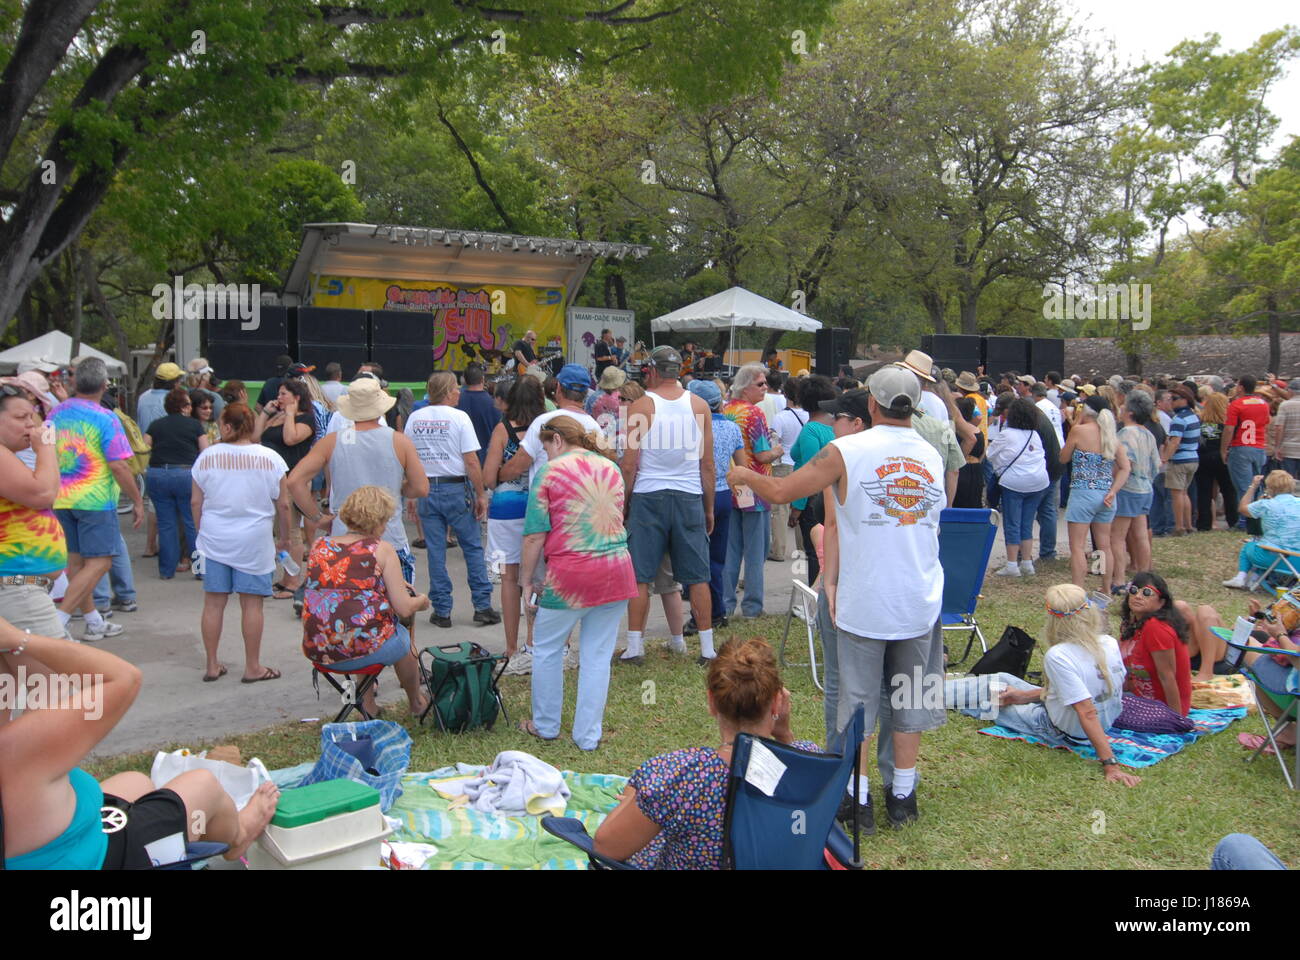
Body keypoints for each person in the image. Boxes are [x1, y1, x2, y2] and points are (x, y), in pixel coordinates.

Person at [727, 366, 945, 831]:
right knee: (909, 699)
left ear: (871, 405)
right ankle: (902, 797)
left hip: (866, 600)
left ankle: (857, 800)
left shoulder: (844, 450)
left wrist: (744, 472)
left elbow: (784, 490)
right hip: (920, 596)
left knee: (856, 703)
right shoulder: (931, 454)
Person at [0, 619, 281, 868]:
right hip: (104, 866)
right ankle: (239, 836)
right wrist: (18, 640)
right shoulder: (16, 751)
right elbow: (122, 678)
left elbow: (45, 690)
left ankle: (190, 829)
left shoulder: (20, 748)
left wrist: (13, 648)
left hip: (55, 851)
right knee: (203, 785)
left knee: (135, 782)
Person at [592, 638, 818, 867]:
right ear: (778, 703)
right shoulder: (814, 768)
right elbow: (799, 778)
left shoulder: (679, 776)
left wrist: (634, 798)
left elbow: (606, 847)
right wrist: (785, 735)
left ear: (711, 702)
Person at [944, 584, 1139, 787]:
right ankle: (928, 693)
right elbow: (1081, 693)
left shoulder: (1060, 655)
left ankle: (922, 696)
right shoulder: (1108, 642)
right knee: (1001, 681)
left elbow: (1086, 711)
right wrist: (1022, 695)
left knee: (986, 701)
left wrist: (1111, 765)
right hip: (1096, 724)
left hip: (1063, 731)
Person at [519, 416, 638, 750]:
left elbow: (534, 536)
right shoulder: (610, 467)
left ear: (556, 440)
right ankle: (588, 737)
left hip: (570, 574)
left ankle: (545, 725)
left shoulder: (549, 473)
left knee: (547, 649)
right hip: (616, 568)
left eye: (545, 448)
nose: (546, 456)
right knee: (597, 656)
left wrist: (526, 581)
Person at [619, 346, 715, 664]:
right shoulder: (700, 405)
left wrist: (625, 502)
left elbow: (630, 464)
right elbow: (708, 465)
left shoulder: (640, 407)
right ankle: (707, 648)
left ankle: (635, 647)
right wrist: (709, 507)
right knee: (697, 575)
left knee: (640, 575)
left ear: (652, 371)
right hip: (689, 494)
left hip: (649, 494)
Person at [286, 376, 427, 589]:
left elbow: (295, 481)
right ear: (380, 407)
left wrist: (317, 517)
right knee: (398, 609)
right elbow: (421, 487)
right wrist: (397, 487)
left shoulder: (332, 442)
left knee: (350, 609)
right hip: (389, 535)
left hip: (343, 537)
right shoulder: (400, 442)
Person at [301, 486, 431, 718]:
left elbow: (342, 591)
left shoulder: (319, 546)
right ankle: (417, 702)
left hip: (320, 650)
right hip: (362, 649)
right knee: (398, 635)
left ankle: (367, 706)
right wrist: (421, 601)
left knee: (363, 623)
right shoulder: (381, 550)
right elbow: (402, 606)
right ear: (379, 520)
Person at [191, 403, 291, 683]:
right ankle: (252, 666)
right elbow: (283, 505)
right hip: (254, 540)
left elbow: (196, 501)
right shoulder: (271, 459)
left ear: (226, 427)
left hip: (214, 538)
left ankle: (212, 665)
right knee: (252, 605)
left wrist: (201, 532)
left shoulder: (207, 457)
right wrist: (284, 537)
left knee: (213, 603)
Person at [51, 359, 142, 641]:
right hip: (94, 499)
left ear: (75, 383)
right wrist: (137, 501)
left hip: (61, 497)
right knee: (100, 563)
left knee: (77, 565)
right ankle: (58, 621)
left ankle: (93, 621)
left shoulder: (55, 413)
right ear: (105, 386)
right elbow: (118, 465)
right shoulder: (106, 418)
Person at [404, 372, 499, 628]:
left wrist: (411, 495)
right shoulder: (459, 418)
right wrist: (480, 494)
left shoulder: (415, 418)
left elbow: (409, 460)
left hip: (426, 488)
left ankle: (442, 610)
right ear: (447, 392)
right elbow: (471, 461)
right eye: (456, 389)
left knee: (435, 551)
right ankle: (482, 605)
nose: (459, 392)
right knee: (472, 547)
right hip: (456, 488)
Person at [483, 376, 547, 666]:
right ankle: (534, 642)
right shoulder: (547, 429)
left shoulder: (502, 429)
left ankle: (510, 647)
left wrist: (499, 477)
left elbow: (488, 477)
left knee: (509, 579)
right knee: (537, 578)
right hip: (539, 508)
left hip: (504, 511)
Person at [0, 382, 65, 638]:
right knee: (54, 676)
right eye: (20, 417)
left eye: (31, 416)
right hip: (17, 587)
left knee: (23, 677)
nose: (31, 424)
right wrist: (46, 448)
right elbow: (43, 494)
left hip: (21, 586)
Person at [721, 364, 782, 619]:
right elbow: (761, 454)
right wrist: (777, 450)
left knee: (731, 550)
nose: (765, 388)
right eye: (760, 384)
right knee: (756, 552)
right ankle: (752, 607)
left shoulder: (725, 409)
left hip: (731, 485)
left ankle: (725, 604)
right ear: (745, 386)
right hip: (756, 488)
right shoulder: (754, 414)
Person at [685, 379, 743, 636]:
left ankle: (699, 616)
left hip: (695, 493)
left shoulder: (689, 429)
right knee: (717, 558)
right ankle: (718, 610)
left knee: (694, 560)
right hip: (723, 495)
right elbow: (741, 467)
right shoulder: (732, 428)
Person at [1060, 395, 1130, 593]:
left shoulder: (1079, 431)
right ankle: (1106, 587)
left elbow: (1063, 457)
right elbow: (1125, 468)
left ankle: (1078, 589)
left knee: (1077, 546)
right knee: (1103, 545)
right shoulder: (1111, 436)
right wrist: (1113, 490)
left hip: (1083, 493)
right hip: (1106, 494)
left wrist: (1076, 423)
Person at [496, 363, 600, 493]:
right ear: (585, 393)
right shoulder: (596, 428)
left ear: (558, 387)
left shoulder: (544, 422)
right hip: (580, 505)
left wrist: (497, 476)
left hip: (545, 504)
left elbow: (517, 467)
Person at [253, 377, 314, 599]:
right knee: (280, 530)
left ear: (296, 397)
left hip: (292, 479)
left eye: (283, 394)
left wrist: (290, 413)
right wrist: (265, 414)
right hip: (271, 480)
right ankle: (286, 576)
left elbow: (290, 439)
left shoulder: (306, 419)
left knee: (291, 531)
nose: (279, 398)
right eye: (278, 394)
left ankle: (294, 581)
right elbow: (255, 438)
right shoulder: (277, 416)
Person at [145, 386, 208, 579]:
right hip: (185, 474)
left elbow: (143, 446)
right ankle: (200, 570)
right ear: (185, 406)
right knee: (191, 522)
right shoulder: (195, 426)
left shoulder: (155, 425)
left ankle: (166, 571)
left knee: (166, 524)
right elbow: (205, 450)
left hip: (157, 474)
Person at [987, 397, 1051, 578]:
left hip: (1014, 482)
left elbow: (990, 455)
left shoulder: (1007, 434)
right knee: (1027, 523)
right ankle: (1027, 563)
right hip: (1038, 482)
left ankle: (1012, 565)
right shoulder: (1034, 434)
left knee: (1012, 523)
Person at [1117, 571, 1192, 716]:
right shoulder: (1133, 625)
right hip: (1140, 699)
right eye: (1133, 590)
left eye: (1147, 592)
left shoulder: (1156, 627)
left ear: (1161, 602)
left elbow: (1168, 676)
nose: (1138, 596)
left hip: (1160, 708)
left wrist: (1176, 719)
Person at [788, 375, 837, 585]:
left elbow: (810, 472)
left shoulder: (811, 430)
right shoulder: (836, 427)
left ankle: (814, 597)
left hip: (813, 501)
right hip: (834, 496)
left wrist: (797, 507)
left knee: (814, 553)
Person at [1113, 390, 1161, 590]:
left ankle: (1118, 580)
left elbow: (1126, 463)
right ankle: (1144, 576)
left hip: (1128, 488)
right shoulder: (1148, 434)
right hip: (1145, 489)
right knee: (1141, 534)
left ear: (1130, 412)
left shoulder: (1126, 433)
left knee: (1116, 536)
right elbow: (1156, 464)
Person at [1223, 470, 1300, 588]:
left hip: (1273, 558)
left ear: (1270, 487)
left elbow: (1242, 509)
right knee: (1266, 546)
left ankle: (1241, 577)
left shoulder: (1266, 504)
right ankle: (1255, 578)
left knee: (1250, 546)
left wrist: (1252, 486)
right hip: (1297, 561)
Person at [1223, 376, 1271, 527]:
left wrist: (1224, 449)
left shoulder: (1236, 404)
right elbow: (1265, 424)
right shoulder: (1263, 403)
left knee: (1244, 485)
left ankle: (1245, 520)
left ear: (1241, 387)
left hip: (1241, 446)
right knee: (1258, 484)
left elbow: (1229, 428)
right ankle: (1257, 517)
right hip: (1258, 446)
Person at [769, 376, 808, 562]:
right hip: (801, 464)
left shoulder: (780, 417)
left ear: (786, 395)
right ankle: (804, 548)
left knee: (779, 510)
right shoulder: (809, 415)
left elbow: (774, 442)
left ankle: (778, 549)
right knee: (801, 507)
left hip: (783, 464)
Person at [1163, 386, 1201, 536]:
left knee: (1177, 494)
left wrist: (1165, 457)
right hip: (1193, 456)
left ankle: (1179, 526)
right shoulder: (1193, 416)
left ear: (1184, 400)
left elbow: (1175, 442)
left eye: (1174, 399)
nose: (1171, 402)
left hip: (1180, 459)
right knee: (1185, 493)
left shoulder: (1178, 419)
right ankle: (1189, 525)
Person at [456, 363, 501, 466]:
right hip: (486, 461)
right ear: (483, 380)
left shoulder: (455, 401)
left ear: (465, 381)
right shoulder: (494, 404)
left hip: (460, 462)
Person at [953, 396, 986, 508]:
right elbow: (982, 453)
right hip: (976, 469)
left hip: (962, 469)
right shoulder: (979, 432)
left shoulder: (959, 431)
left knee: (959, 503)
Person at [135, 361, 184, 433]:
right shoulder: (172, 401)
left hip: (143, 442)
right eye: (179, 380)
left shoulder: (143, 397)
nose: (180, 384)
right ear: (175, 383)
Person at [1270, 379, 1300, 479]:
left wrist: (1277, 447)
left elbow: (1279, 427)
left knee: (1288, 480)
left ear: (1290, 391)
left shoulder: (1285, 405)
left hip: (1288, 450)